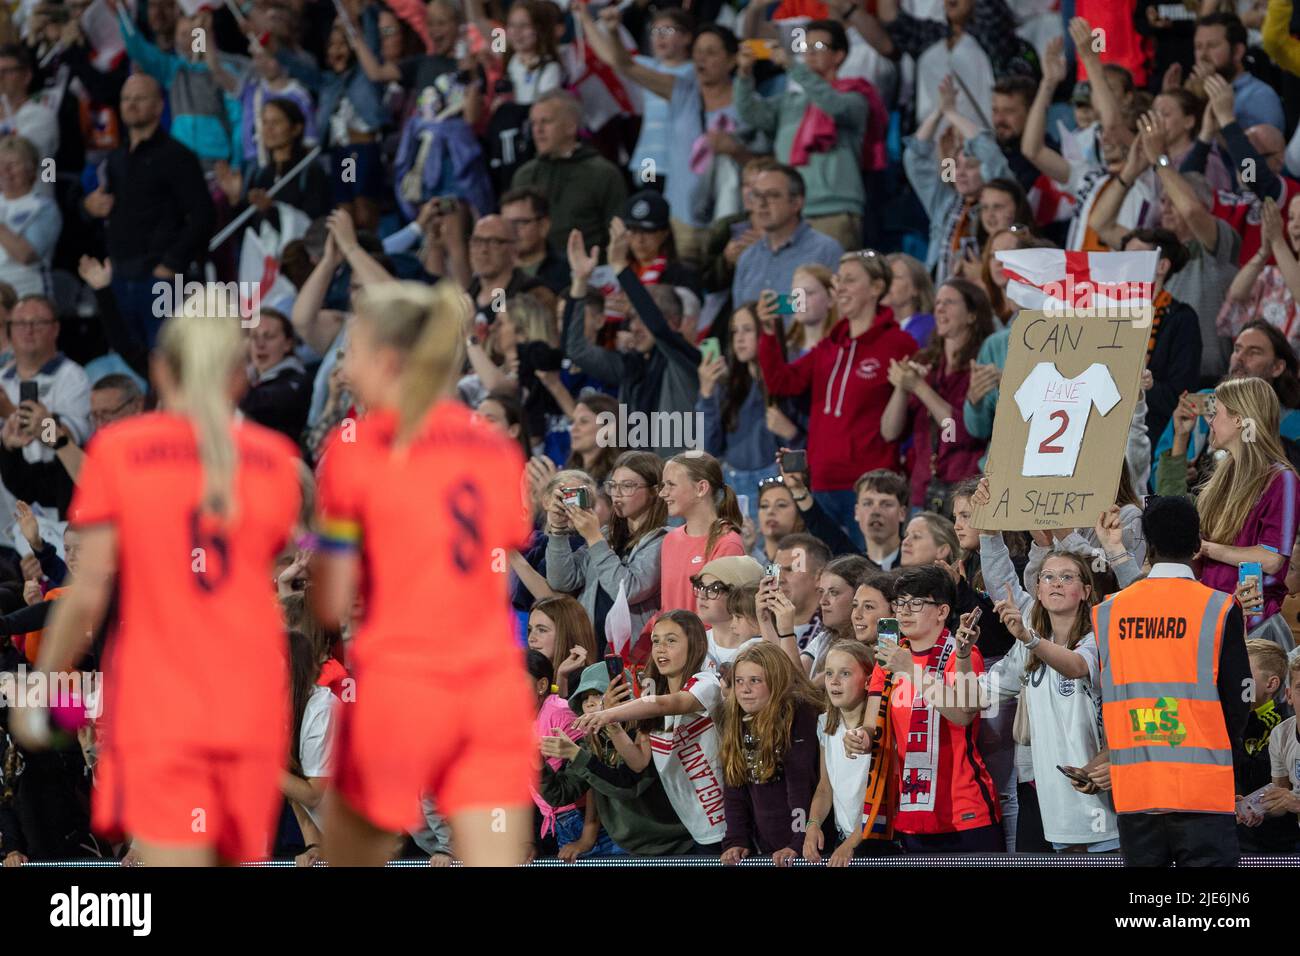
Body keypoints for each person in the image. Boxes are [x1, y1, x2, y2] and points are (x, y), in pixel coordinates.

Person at [11, 299, 301, 866]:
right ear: (240, 376)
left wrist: (44, 685)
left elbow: (88, 583)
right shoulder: (276, 461)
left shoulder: (121, 452)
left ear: (163, 373)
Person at [313, 281, 535, 867]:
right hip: (489, 685)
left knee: (348, 855)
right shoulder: (492, 450)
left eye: (352, 349)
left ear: (387, 360)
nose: (344, 363)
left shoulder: (356, 447)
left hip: (403, 682)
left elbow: (332, 598)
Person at [1091, 494, 1250, 866]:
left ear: (1147, 545)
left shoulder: (1108, 613)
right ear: (1198, 546)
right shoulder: (1219, 607)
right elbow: (1239, 699)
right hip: (1203, 789)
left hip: (1135, 789)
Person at [756, 250, 915, 548]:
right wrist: (767, 332)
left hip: (870, 490)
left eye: (850, 280)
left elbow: (911, 417)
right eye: (838, 280)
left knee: (870, 577)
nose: (840, 287)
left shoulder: (898, 344)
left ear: (877, 288)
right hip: (823, 483)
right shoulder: (830, 345)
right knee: (826, 580)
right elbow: (782, 381)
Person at [975, 527, 1120, 852]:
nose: (1056, 583)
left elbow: (1078, 665)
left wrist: (1029, 638)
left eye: (1067, 578)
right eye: (1048, 577)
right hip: (1055, 804)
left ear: (1085, 591)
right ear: (1037, 591)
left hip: (1102, 797)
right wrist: (931, 676)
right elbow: (983, 692)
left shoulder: (1100, 638)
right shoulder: (1029, 648)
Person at [849, 564, 1003, 851]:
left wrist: (912, 670)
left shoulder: (963, 655)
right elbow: (873, 725)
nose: (904, 612)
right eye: (900, 603)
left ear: (942, 612)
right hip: (912, 811)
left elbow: (963, 716)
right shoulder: (891, 660)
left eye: (916, 603)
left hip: (965, 812)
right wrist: (861, 737)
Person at [575, 610, 727, 854]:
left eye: (671, 640)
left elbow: (664, 704)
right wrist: (611, 724)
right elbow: (638, 761)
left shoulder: (706, 683)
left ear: (696, 644)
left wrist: (608, 713)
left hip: (723, 823)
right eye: (656, 641)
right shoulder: (650, 695)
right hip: (691, 827)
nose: (660, 648)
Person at [83, 73, 215, 352]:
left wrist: (171, 264)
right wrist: (90, 205)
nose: (132, 104)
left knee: (166, 359)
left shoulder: (177, 156)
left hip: (160, 278)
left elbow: (203, 215)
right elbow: (94, 204)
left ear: (158, 106)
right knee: (125, 356)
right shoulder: (116, 158)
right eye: (126, 99)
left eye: (140, 98)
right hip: (120, 277)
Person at [733, 19, 875, 252]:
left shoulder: (855, 97)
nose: (809, 54)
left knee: (831, 285)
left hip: (834, 212)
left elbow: (831, 104)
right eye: (805, 48)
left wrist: (793, 67)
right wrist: (744, 74)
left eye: (817, 48)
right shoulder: (791, 102)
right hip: (789, 212)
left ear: (839, 55)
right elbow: (750, 113)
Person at [563, 222, 701, 457]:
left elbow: (658, 329)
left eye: (641, 319)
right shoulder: (631, 366)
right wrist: (580, 283)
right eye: (631, 319)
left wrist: (620, 267)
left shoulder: (686, 361)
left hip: (678, 480)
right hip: (637, 481)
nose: (634, 327)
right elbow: (576, 349)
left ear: (673, 323)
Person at [1190, 377, 1300, 641]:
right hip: (1212, 619)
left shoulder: (1281, 478)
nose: (1210, 421)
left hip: (1255, 629)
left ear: (1239, 420)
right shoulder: (1221, 477)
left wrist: (1205, 547)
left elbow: (1272, 559)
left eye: (1216, 413)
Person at [881, 278, 994, 513]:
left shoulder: (982, 367)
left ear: (972, 315)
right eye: (938, 302)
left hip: (964, 495)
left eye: (949, 302)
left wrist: (920, 388)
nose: (939, 308)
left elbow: (957, 433)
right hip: (923, 491)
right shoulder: (925, 362)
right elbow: (889, 432)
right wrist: (903, 388)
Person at [545, 451, 666, 646]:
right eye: (613, 485)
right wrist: (558, 530)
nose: (617, 493)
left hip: (633, 656)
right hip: (591, 649)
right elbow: (563, 580)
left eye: (627, 486)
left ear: (654, 491)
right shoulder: (607, 534)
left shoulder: (663, 540)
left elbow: (628, 590)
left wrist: (593, 538)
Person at [719, 641, 823, 865]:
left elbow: (801, 785)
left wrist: (798, 841)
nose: (744, 690)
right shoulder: (738, 717)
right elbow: (734, 785)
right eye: (739, 681)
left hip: (809, 847)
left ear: (776, 682)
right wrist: (737, 839)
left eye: (755, 681)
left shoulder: (798, 715)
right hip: (768, 846)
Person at [905, 74, 1013, 283]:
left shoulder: (1002, 197)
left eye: (971, 166)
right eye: (957, 166)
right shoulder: (945, 202)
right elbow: (914, 158)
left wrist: (952, 113)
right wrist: (938, 113)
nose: (961, 172)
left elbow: (990, 155)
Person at [697, 302, 796, 518]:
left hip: (775, 488)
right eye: (735, 331)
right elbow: (704, 450)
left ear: (767, 332)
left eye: (748, 330)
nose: (739, 338)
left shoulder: (788, 381)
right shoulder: (726, 387)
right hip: (732, 485)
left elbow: (801, 449)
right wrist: (706, 393)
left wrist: (791, 433)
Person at [0, 295, 91, 517]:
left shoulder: (73, 377)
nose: (28, 330)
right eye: (20, 323)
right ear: (9, 330)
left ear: (56, 328)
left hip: (49, 516)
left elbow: (66, 441)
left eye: (38, 322)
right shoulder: (2, 378)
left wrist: (11, 412)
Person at [511, 90, 627, 253]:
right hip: (535, 273)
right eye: (534, 123)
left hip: (592, 272)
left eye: (546, 122)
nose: (538, 130)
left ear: (571, 127)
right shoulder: (524, 175)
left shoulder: (603, 174)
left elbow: (618, 236)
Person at [804, 639, 886, 863]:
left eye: (845, 674)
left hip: (879, 841)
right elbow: (824, 788)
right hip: (846, 839)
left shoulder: (882, 726)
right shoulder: (826, 724)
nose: (834, 681)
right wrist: (812, 825)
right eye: (829, 674)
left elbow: (884, 798)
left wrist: (852, 843)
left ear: (869, 681)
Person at [730, 165, 844, 308]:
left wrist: (777, 305)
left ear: (796, 203)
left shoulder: (825, 250)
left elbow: (832, 307)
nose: (761, 203)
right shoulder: (747, 258)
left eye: (773, 195)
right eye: (757, 195)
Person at [214, 98, 331, 222]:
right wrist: (235, 200)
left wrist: (271, 211)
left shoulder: (311, 172)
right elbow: (248, 230)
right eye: (264, 122)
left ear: (296, 128)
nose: (269, 129)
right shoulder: (259, 174)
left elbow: (315, 223)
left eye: (276, 122)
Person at [658, 450, 745, 615]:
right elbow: (666, 606)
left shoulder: (727, 543)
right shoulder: (669, 540)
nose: (663, 493)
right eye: (663, 485)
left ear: (701, 488)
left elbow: (722, 615)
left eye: (671, 485)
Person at [1191, 12, 1284, 133]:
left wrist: (1210, 105)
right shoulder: (1194, 90)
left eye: (1212, 46)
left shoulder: (1260, 96)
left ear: (1237, 52)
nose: (1202, 55)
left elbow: (1249, 152)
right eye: (1198, 47)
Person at [0, 135, 60, 298]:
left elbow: (26, 255)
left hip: (29, 295)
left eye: (12, 165)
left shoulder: (45, 207)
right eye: (1, 164)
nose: (5, 171)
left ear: (31, 169)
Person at [239, 309, 310, 443]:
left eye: (269, 336)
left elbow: (258, 405)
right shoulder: (248, 377)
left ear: (288, 344)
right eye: (254, 337)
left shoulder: (299, 381)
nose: (260, 345)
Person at [527, 595, 600, 700]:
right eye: (530, 629)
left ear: (566, 634)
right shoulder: (527, 673)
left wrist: (562, 677)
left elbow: (561, 714)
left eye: (542, 630)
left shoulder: (588, 685)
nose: (531, 638)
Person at [500, 186, 570, 292]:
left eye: (520, 222)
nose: (511, 231)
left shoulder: (566, 271)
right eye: (506, 224)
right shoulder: (495, 269)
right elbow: (494, 306)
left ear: (544, 226)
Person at [883, 253, 935, 348]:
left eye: (896, 277)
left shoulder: (926, 327)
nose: (886, 282)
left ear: (916, 288)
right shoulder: (876, 325)